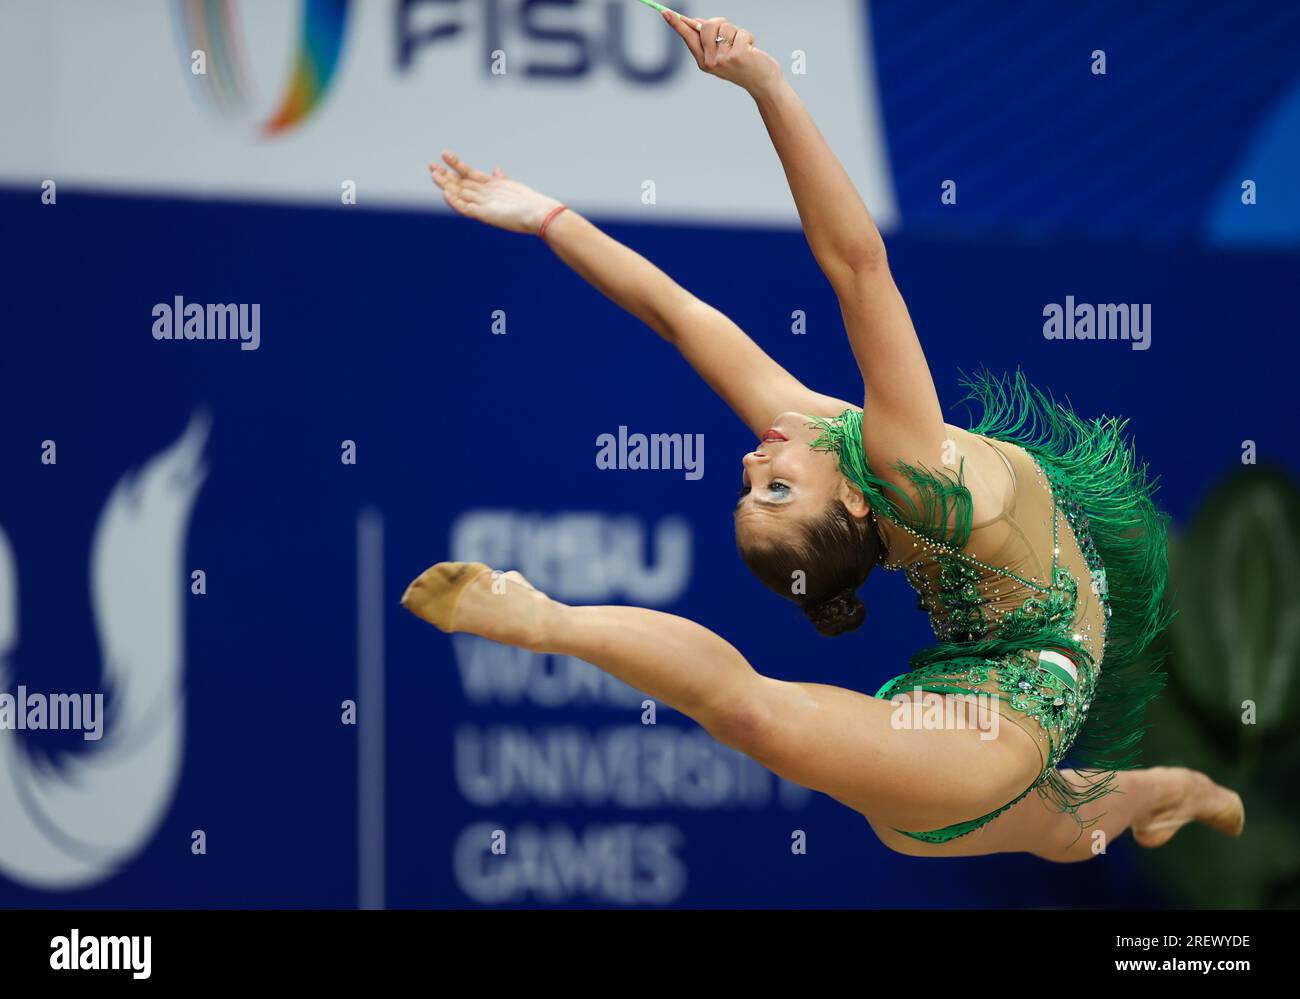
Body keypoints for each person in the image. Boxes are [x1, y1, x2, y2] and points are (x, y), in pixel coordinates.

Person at [407, 13, 1243, 861]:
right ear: (848, 498)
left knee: (1058, 832)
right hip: (1001, 715)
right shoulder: (908, 467)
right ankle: (549, 620)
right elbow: (855, 264)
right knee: (754, 717)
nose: (751, 460)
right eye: (773, 488)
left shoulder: (810, 432)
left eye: (751, 486)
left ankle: (1159, 790)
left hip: (962, 716)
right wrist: (768, 84)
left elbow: (678, 315)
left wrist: (547, 215)